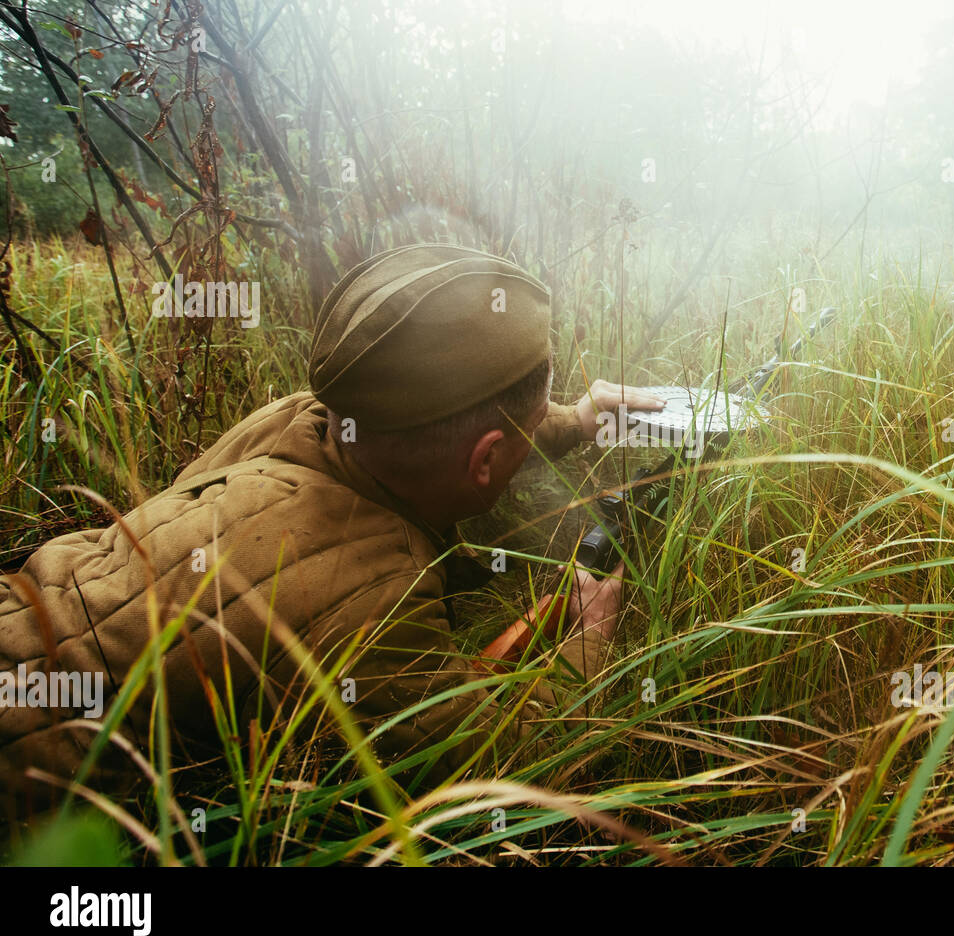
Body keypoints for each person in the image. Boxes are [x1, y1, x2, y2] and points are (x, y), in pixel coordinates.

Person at [0, 243, 664, 817]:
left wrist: (576, 420)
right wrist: (588, 646)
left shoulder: (298, 420)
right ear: (484, 460)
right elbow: (510, 767)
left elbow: (475, 430)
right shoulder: (373, 605)